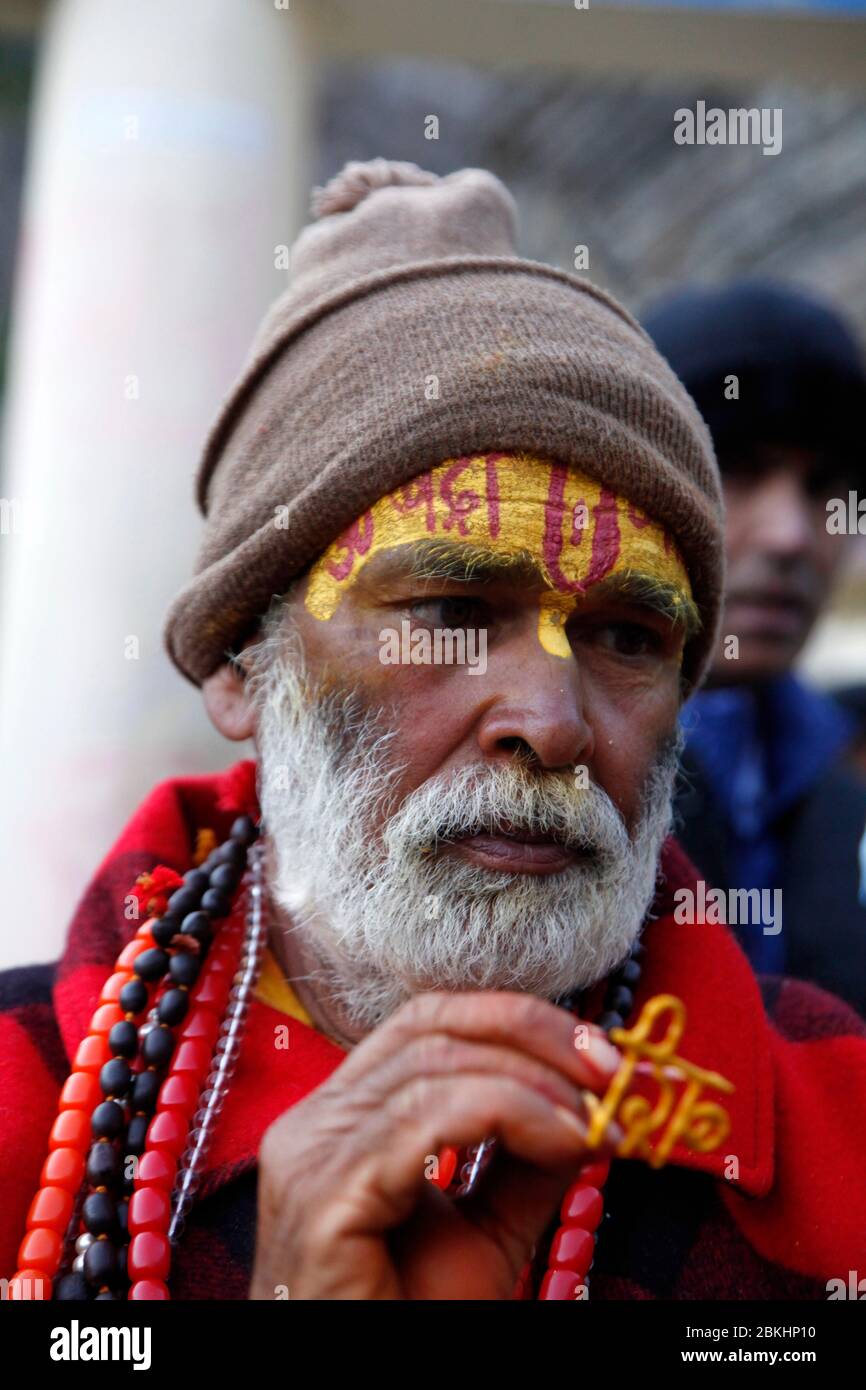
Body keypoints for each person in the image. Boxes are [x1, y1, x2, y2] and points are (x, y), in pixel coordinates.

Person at [3, 163, 866, 1303]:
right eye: (451, 614)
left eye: (625, 637)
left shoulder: (834, 1116)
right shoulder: (27, 1088)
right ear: (236, 664)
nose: (551, 727)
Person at [643, 282, 866, 1015]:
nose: (791, 535)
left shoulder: (844, 774)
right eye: (737, 470)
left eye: (827, 488)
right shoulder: (533, 762)